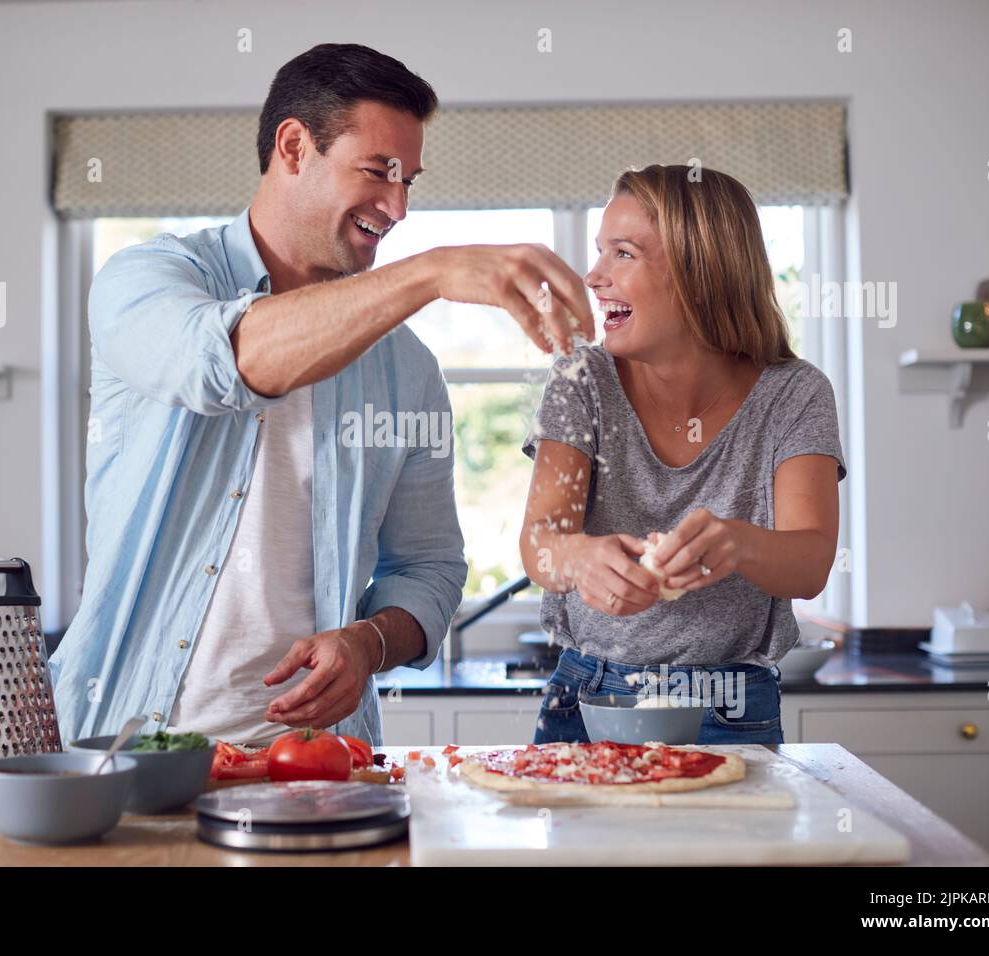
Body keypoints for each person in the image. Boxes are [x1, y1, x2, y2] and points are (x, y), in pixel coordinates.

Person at [50, 43, 594, 747]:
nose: (397, 207)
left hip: (317, 766)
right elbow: (228, 364)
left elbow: (427, 568)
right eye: (378, 172)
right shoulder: (146, 281)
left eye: (408, 181)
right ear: (294, 147)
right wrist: (429, 275)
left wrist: (369, 643)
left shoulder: (407, 371)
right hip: (121, 750)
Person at [519, 164, 846, 745]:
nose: (594, 277)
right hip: (586, 698)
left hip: (730, 705)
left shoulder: (795, 394)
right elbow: (540, 543)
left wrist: (735, 542)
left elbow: (812, 563)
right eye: (601, 252)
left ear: (702, 270)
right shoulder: (581, 381)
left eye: (622, 253)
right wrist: (580, 559)